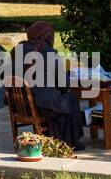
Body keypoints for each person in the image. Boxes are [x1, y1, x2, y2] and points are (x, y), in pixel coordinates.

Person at [16, 20, 86, 150]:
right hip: (39, 106)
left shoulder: (18, 50)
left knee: (57, 98)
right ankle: (70, 141)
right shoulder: (49, 53)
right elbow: (64, 84)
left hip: (20, 104)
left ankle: (53, 136)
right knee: (70, 99)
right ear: (48, 36)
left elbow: (6, 77)